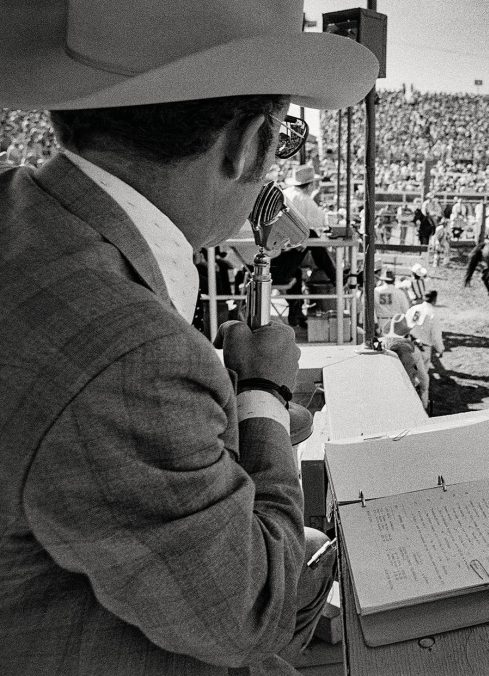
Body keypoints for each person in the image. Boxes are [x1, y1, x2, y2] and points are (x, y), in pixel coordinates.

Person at [0, 1, 378, 672]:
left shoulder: (18, 211)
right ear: (243, 146)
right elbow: (250, 614)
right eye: (282, 137)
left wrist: (222, 419)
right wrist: (262, 391)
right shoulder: (131, 350)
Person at [380, 313, 428, 408]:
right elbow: (423, 377)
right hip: (406, 389)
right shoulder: (413, 350)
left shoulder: (379, 344)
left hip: (384, 388)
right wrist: (424, 394)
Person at [406, 289, 445, 378]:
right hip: (423, 348)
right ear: (434, 299)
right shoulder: (432, 313)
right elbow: (435, 336)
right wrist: (440, 349)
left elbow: (406, 324)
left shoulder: (414, 308)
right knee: (421, 376)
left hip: (410, 344)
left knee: (409, 372)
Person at [374, 266, 410, 335]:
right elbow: (406, 309)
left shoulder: (376, 291)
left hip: (381, 321)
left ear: (383, 280)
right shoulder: (400, 292)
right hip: (396, 321)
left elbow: (373, 310)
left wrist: (376, 325)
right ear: (393, 279)